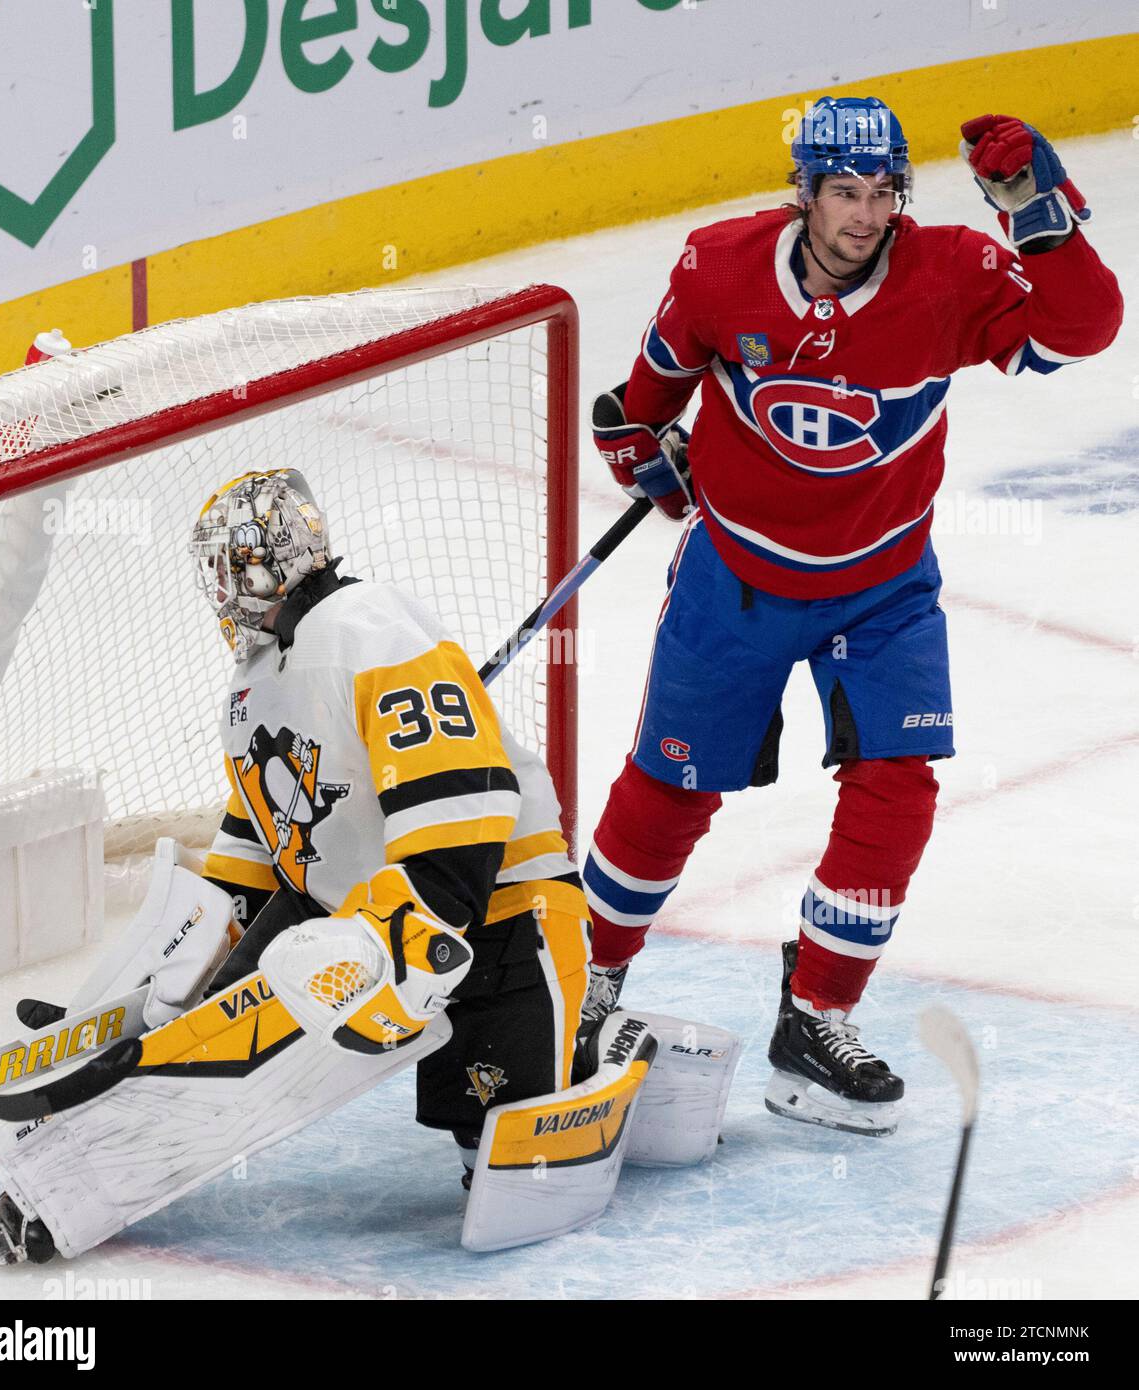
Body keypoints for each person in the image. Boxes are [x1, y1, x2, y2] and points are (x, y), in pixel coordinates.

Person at [580, 98, 1123, 1136]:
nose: (865, 217)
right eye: (844, 193)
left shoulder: (951, 273)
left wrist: (1037, 209)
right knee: (670, 787)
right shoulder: (715, 267)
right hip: (736, 578)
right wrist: (640, 454)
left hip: (882, 585)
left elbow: (1082, 329)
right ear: (805, 192)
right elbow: (646, 397)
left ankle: (816, 1016)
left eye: (882, 195)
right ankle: (591, 979)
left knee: (895, 790)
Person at [191, 468, 593, 1170]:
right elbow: (264, 834)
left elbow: (461, 819)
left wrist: (400, 938)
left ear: (270, 560)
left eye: (228, 566)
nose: (219, 588)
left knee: (507, 1158)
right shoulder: (253, 685)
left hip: (498, 918)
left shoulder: (368, 625)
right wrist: (185, 972)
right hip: (365, 925)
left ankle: (594, 1042)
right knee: (203, 1041)